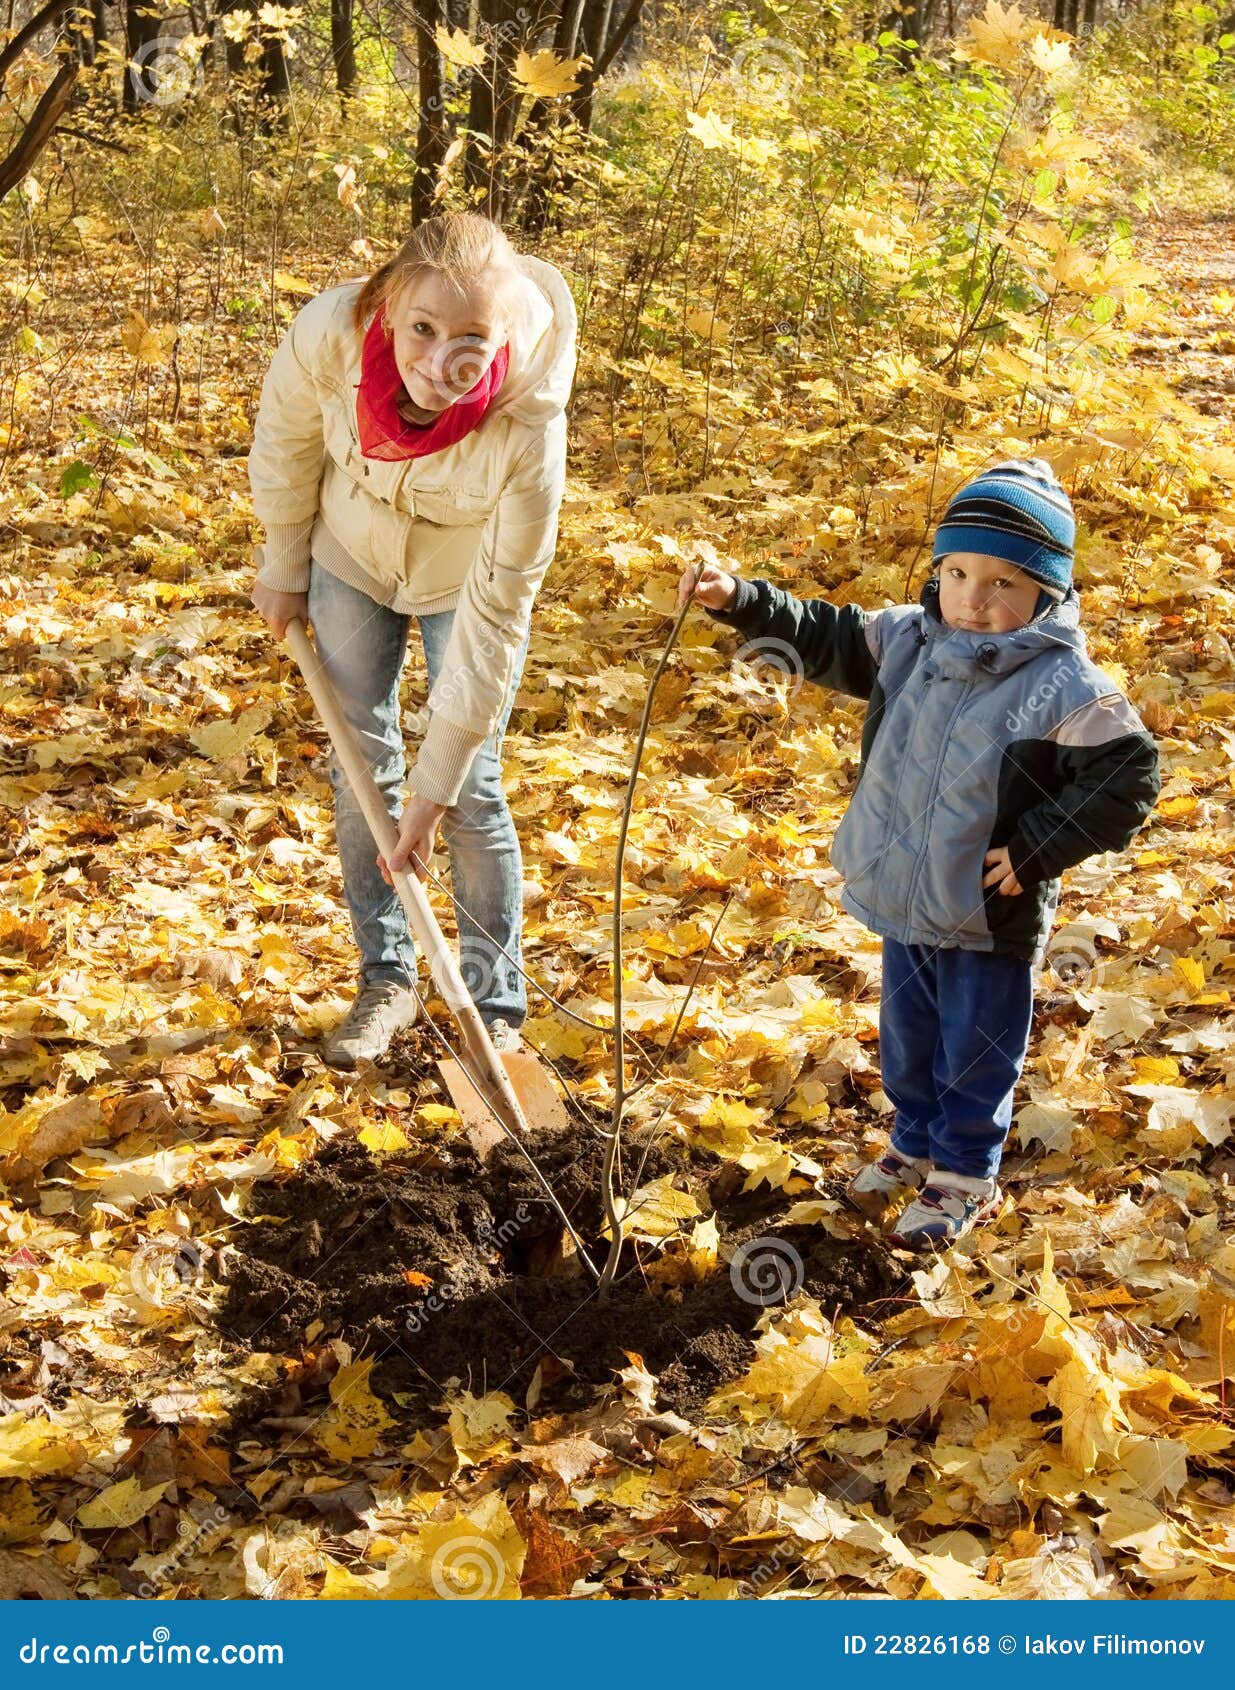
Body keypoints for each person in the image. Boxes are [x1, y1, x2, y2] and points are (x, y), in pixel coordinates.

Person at [679, 459, 1160, 1247]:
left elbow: (1127, 773)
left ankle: (964, 1172)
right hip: (905, 893)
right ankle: (913, 1140)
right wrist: (738, 600)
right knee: (906, 1036)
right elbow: (819, 634)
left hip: (984, 909)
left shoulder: (1065, 686)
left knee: (975, 1047)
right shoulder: (907, 639)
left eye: (1004, 583)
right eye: (956, 572)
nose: (974, 598)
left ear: (1048, 592)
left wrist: (1038, 845)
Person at [248, 212, 577, 1067]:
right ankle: (386, 980)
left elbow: (499, 617)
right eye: (422, 329)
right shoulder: (330, 331)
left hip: (460, 580)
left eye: (468, 336)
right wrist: (283, 559)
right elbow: (285, 443)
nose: (439, 362)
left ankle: (492, 1010)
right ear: (390, 307)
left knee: (468, 789)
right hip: (348, 552)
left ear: (502, 333)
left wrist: (430, 795)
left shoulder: (528, 426)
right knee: (360, 768)